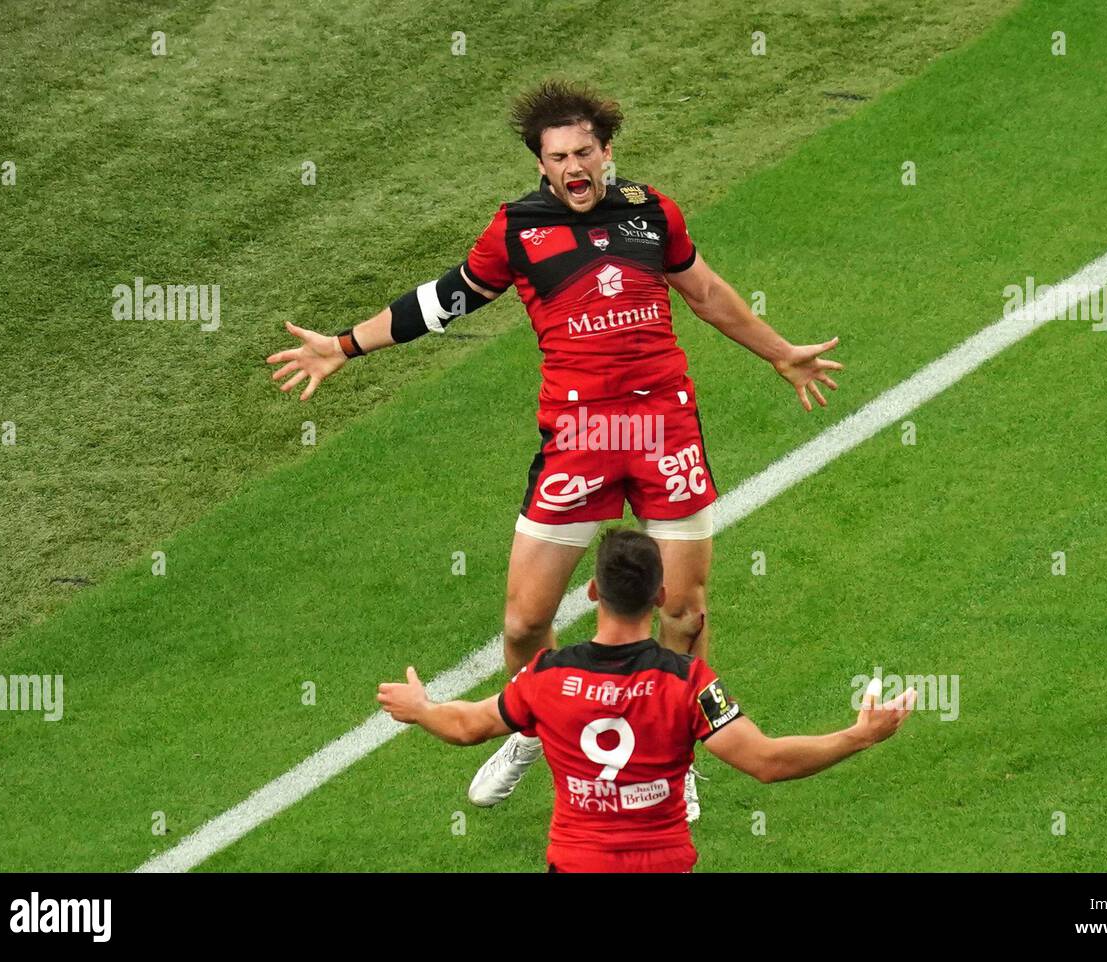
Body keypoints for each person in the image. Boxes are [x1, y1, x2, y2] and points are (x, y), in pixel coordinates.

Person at [272, 79, 845, 820]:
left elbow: (704, 292)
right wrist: (344, 347)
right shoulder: (517, 228)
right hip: (578, 438)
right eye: (558, 157)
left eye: (584, 152)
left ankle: (675, 760)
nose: (573, 167)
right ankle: (530, 729)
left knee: (688, 614)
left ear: (607, 152)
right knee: (522, 621)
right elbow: (445, 299)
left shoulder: (650, 212)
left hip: (664, 426)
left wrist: (779, 352)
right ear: (541, 165)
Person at [377, 529, 916, 873]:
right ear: (659, 596)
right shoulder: (688, 682)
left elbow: (469, 726)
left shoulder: (546, 675)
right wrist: (859, 735)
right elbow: (767, 762)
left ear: (592, 592)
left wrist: (420, 707)